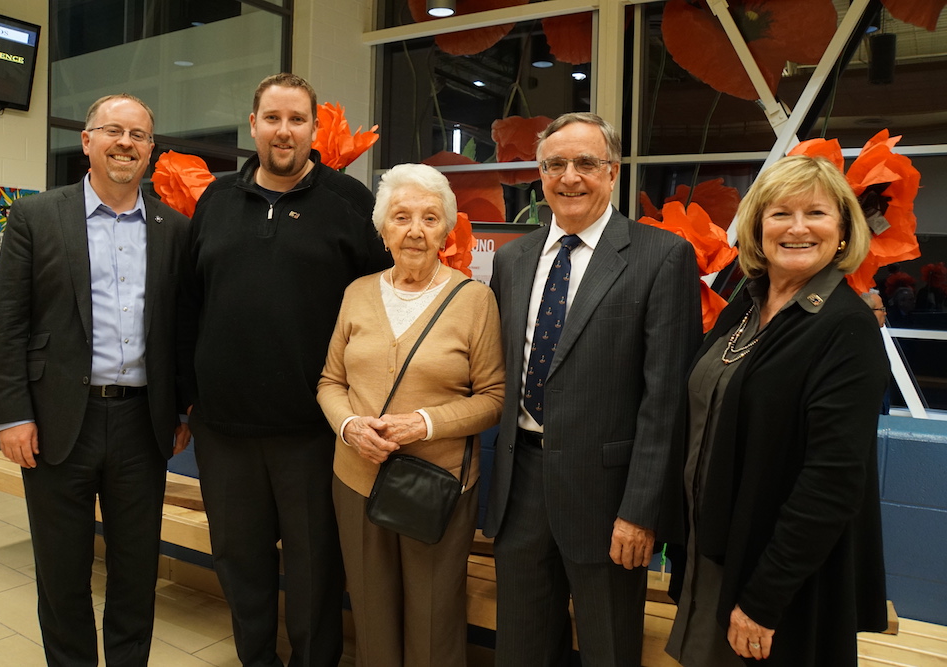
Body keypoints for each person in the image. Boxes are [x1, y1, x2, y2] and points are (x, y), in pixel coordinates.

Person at [181, 73, 389, 667]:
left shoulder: (350, 202)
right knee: (240, 568)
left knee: (315, 573)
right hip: (224, 433)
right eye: (272, 118)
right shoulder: (215, 201)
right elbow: (189, 304)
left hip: (313, 434)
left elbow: (378, 308)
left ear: (314, 128)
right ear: (253, 125)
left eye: (297, 119)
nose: (283, 130)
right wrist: (188, 401)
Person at [484, 112, 702, 666]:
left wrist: (640, 511)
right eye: (555, 164)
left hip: (609, 499)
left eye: (585, 162)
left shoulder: (661, 257)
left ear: (612, 171)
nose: (569, 176)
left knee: (609, 648)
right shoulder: (513, 260)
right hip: (521, 485)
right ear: (540, 173)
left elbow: (666, 402)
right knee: (521, 648)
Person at [0, 93, 192, 666]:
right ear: (88, 140)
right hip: (54, 425)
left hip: (141, 424)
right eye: (113, 131)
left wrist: (181, 410)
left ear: (151, 149)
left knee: (135, 573)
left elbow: (180, 328)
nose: (125, 143)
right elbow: (7, 322)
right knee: (61, 572)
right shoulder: (36, 217)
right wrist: (12, 413)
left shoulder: (173, 229)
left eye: (139, 135)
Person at [665, 154, 889, 666]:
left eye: (816, 214)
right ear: (758, 227)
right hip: (715, 557)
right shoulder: (747, 306)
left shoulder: (845, 329)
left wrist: (763, 599)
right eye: (780, 213)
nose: (797, 228)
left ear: (843, 230)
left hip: (777, 581)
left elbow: (830, 484)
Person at [317, 163, 505, 666]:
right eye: (401, 217)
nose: (415, 231)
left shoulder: (474, 300)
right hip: (356, 478)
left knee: (432, 620)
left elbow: (492, 398)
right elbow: (330, 382)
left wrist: (424, 423)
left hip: (437, 484)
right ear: (383, 230)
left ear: (447, 228)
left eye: (429, 217)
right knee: (372, 618)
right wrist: (351, 426)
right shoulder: (356, 293)